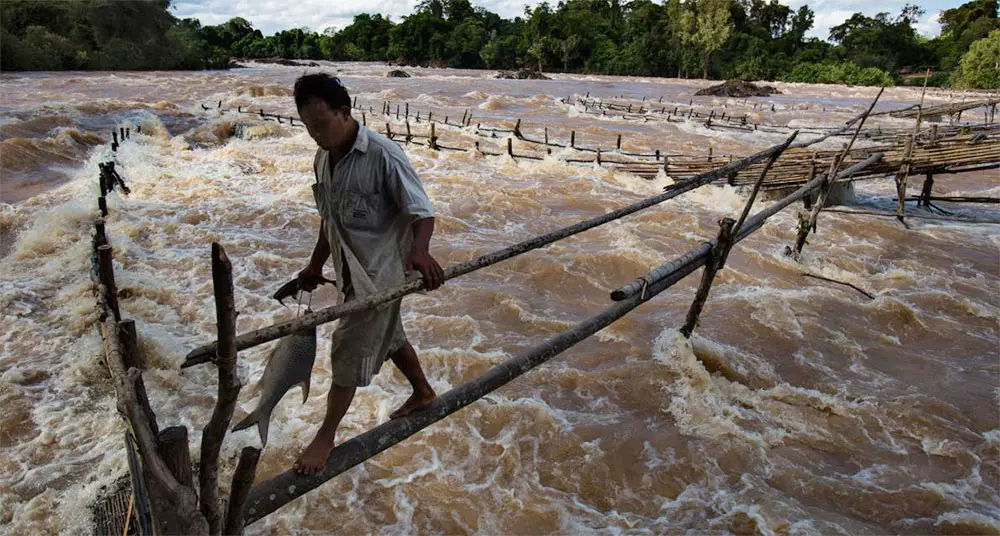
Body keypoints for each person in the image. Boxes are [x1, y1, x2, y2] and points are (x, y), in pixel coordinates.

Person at [291, 73, 442, 475]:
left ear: (345, 113)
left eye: (321, 124)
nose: (316, 134)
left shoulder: (383, 154)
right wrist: (315, 264)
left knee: (346, 350)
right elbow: (330, 221)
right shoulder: (323, 158)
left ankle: (325, 436)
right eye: (308, 127)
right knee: (390, 337)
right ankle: (423, 391)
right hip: (350, 272)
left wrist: (420, 251)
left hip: (383, 274)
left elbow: (421, 210)